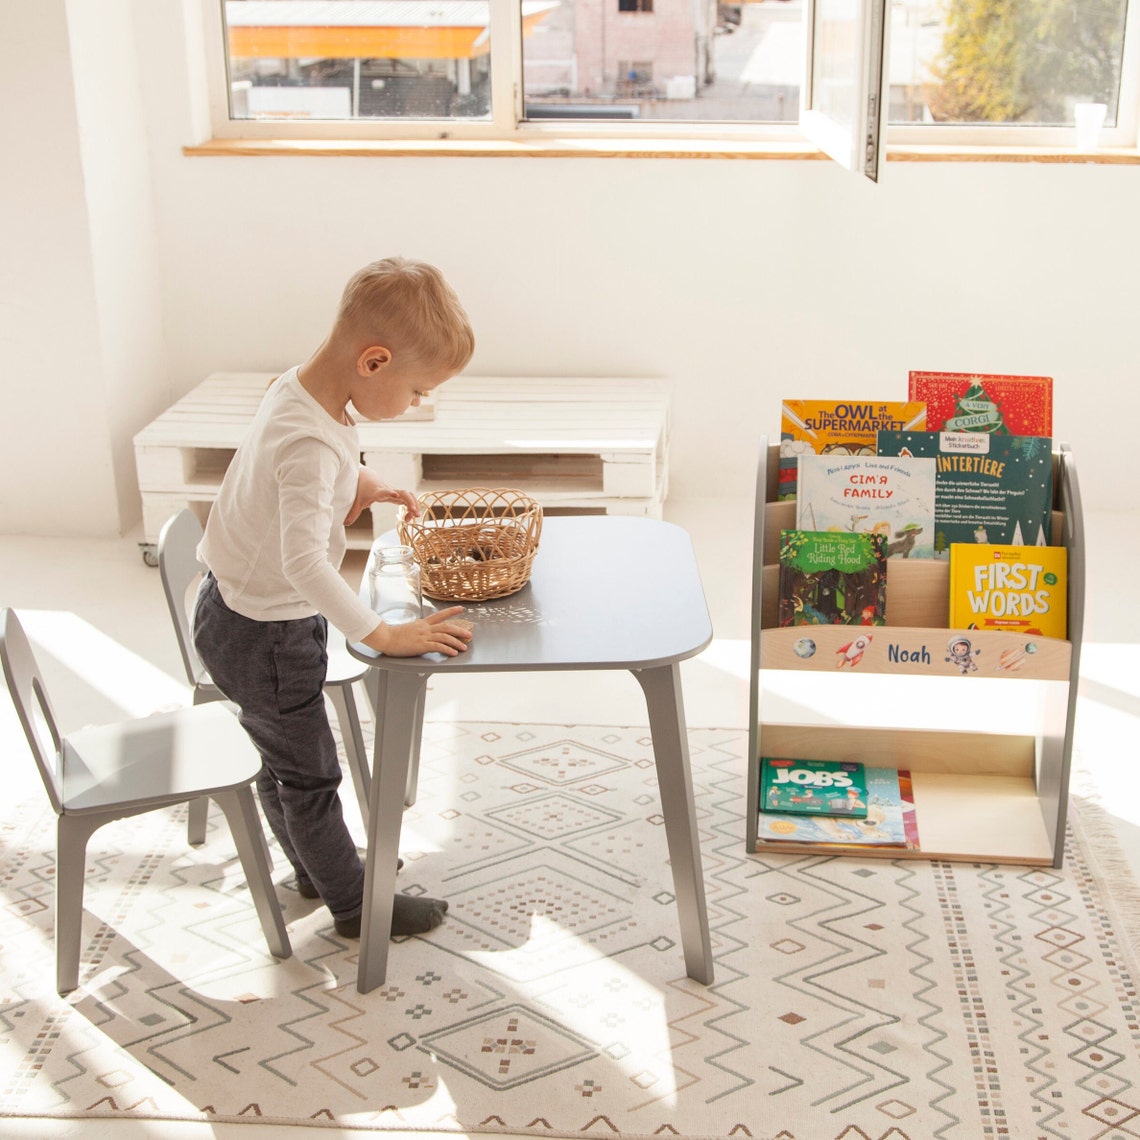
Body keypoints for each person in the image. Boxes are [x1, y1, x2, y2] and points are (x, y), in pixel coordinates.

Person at [192, 257, 475, 941]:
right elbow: (305, 562)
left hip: (231, 614)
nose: (416, 405)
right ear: (373, 362)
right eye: (415, 391)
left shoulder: (295, 390)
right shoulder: (310, 443)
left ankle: (315, 869)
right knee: (311, 777)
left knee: (281, 761)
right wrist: (381, 633)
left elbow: (314, 468)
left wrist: (365, 482)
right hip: (269, 637)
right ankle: (358, 908)